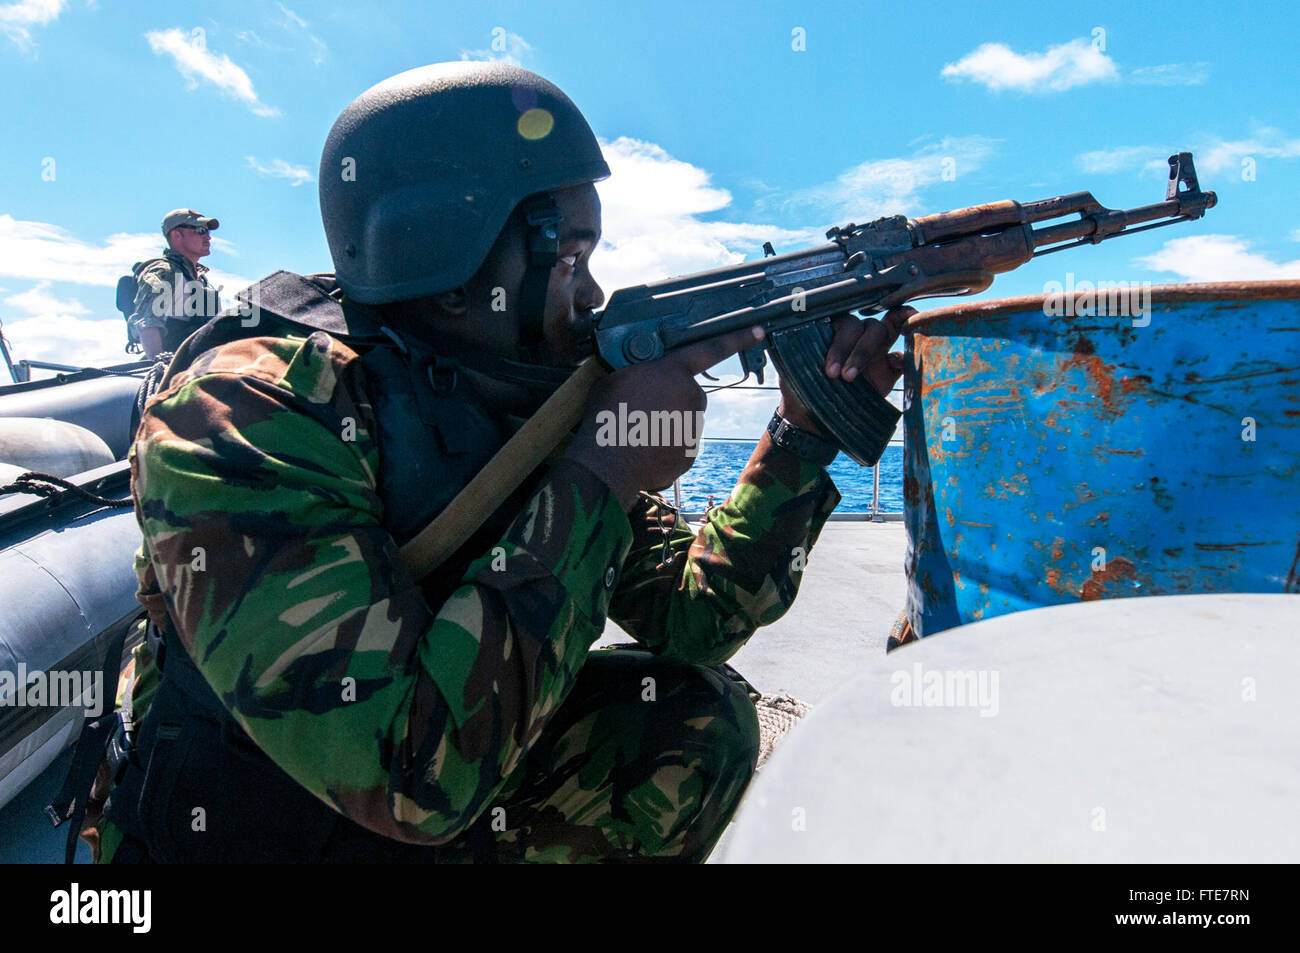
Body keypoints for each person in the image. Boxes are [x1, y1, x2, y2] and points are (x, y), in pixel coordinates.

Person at [97, 62, 908, 863]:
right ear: (455, 265)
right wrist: (603, 472)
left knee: (692, 722)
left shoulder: (515, 387)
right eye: (569, 259)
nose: (590, 295)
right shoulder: (244, 414)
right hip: (262, 822)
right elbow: (405, 773)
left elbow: (697, 619)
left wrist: (801, 433)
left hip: (423, 790)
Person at [129, 209, 222, 360]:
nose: (208, 237)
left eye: (208, 232)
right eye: (200, 230)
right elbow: (147, 322)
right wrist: (158, 362)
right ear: (176, 235)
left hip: (200, 362)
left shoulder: (201, 280)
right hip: (173, 364)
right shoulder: (164, 271)